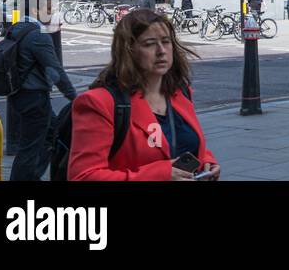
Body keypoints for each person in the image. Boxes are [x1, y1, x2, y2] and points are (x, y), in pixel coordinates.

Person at [69, 9, 220, 181]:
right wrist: (160, 175)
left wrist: (206, 161)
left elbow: (182, 143)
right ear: (128, 50)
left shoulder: (180, 92)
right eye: (149, 44)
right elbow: (83, 176)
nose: (161, 51)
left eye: (166, 41)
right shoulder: (99, 103)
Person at [6, 0, 78, 180]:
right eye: (46, 9)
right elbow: (56, 71)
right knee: (29, 147)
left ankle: (32, 175)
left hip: (18, 95)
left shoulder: (17, 28)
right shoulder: (38, 35)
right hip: (35, 99)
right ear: (33, 9)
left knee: (52, 133)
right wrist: (75, 98)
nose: (50, 12)